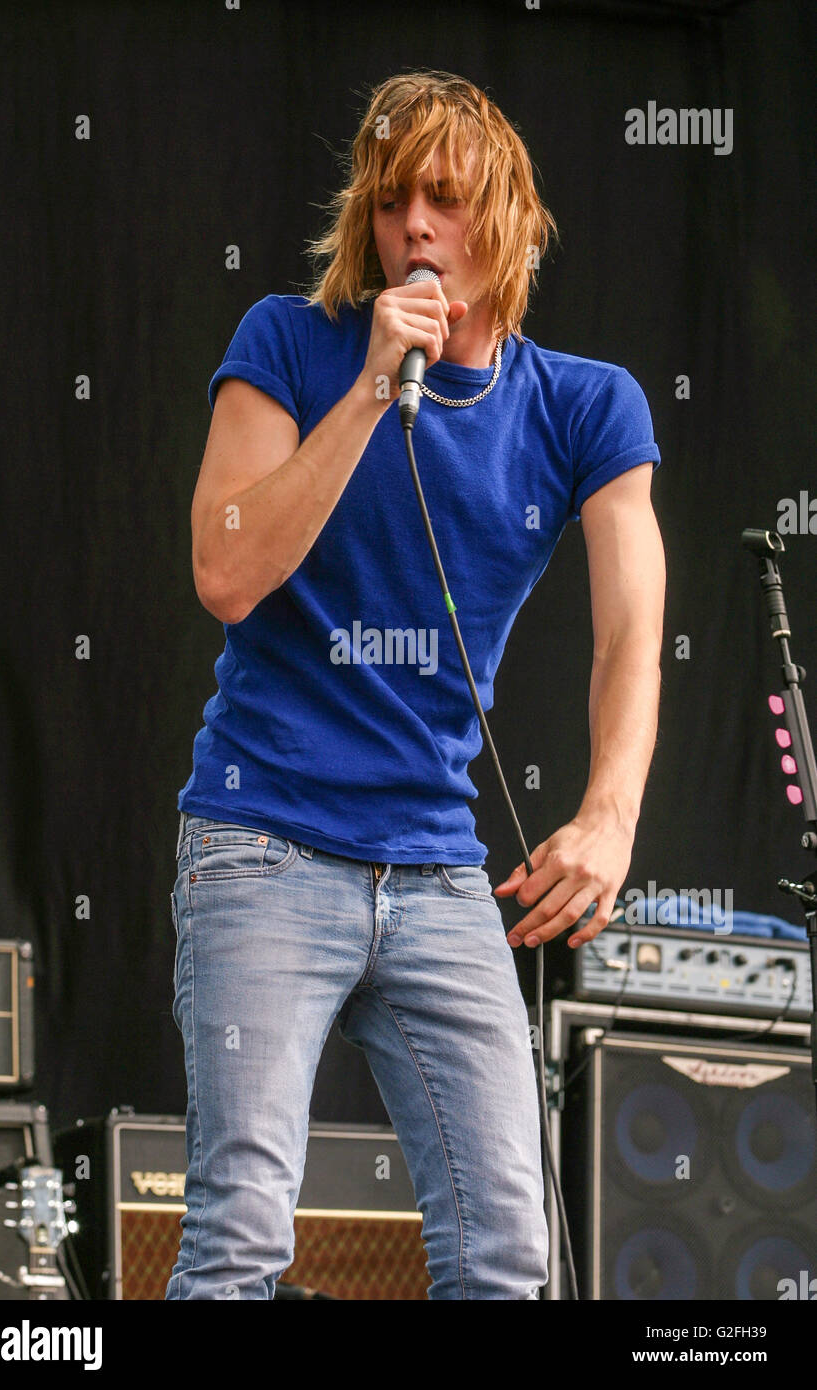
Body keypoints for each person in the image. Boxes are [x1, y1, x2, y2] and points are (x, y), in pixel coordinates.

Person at [165, 69, 665, 1301]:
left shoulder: (585, 407)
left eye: (443, 199)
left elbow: (630, 636)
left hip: (437, 863)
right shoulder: (289, 341)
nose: (415, 229)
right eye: (392, 203)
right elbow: (226, 567)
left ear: (509, 218)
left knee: (505, 1252)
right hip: (263, 837)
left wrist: (608, 813)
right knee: (237, 1241)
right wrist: (370, 391)